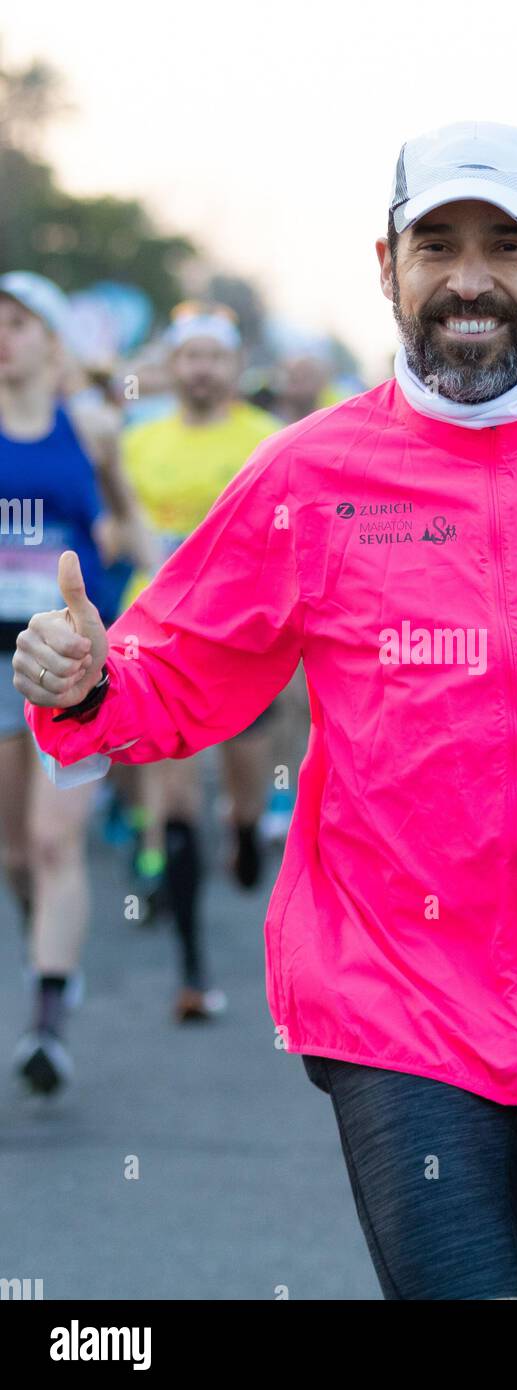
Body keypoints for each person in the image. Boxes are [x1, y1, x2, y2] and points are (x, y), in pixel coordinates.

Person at [14, 121, 517, 1300]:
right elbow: (175, 668)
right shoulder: (305, 476)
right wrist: (87, 679)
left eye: (504, 245)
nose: (466, 278)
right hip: (391, 990)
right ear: (386, 267)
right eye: (435, 244)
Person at [0, 270, 149, 1094]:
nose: (4, 335)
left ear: (51, 341)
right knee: (16, 852)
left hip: (65, 664)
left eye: (18, 322)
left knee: (57, 841)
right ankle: (46, 958)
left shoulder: (89, 428)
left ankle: (48, 1022)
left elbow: (128, 524)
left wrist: (138, 609)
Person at [118, 302, 283, 1020]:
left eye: (216, 356)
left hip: (244, 642)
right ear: (173, 366)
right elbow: (113, 521)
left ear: (236, 367)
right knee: (176, 802)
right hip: (156, 641)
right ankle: (191, 972)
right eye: (190, 357)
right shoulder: (137, 442)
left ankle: (246, 831)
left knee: (241, 795)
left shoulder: (269, 440)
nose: (203, 369)